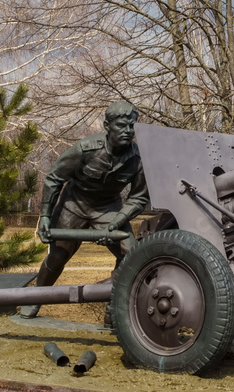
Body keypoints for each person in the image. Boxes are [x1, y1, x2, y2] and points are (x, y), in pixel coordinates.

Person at [20, 101, 147, 318]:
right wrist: (45, 215)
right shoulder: (85, 148)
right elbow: (53, 178)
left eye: (131, 126)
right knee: (59, 255)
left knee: (130, 253)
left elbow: (139, 196)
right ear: (107, 126)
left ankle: (115, 309)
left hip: (109, 209)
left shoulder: (137, 158)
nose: (128, 131)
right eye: (121, 126)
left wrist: (117, 221)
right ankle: (36, 298)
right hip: (74, 204)